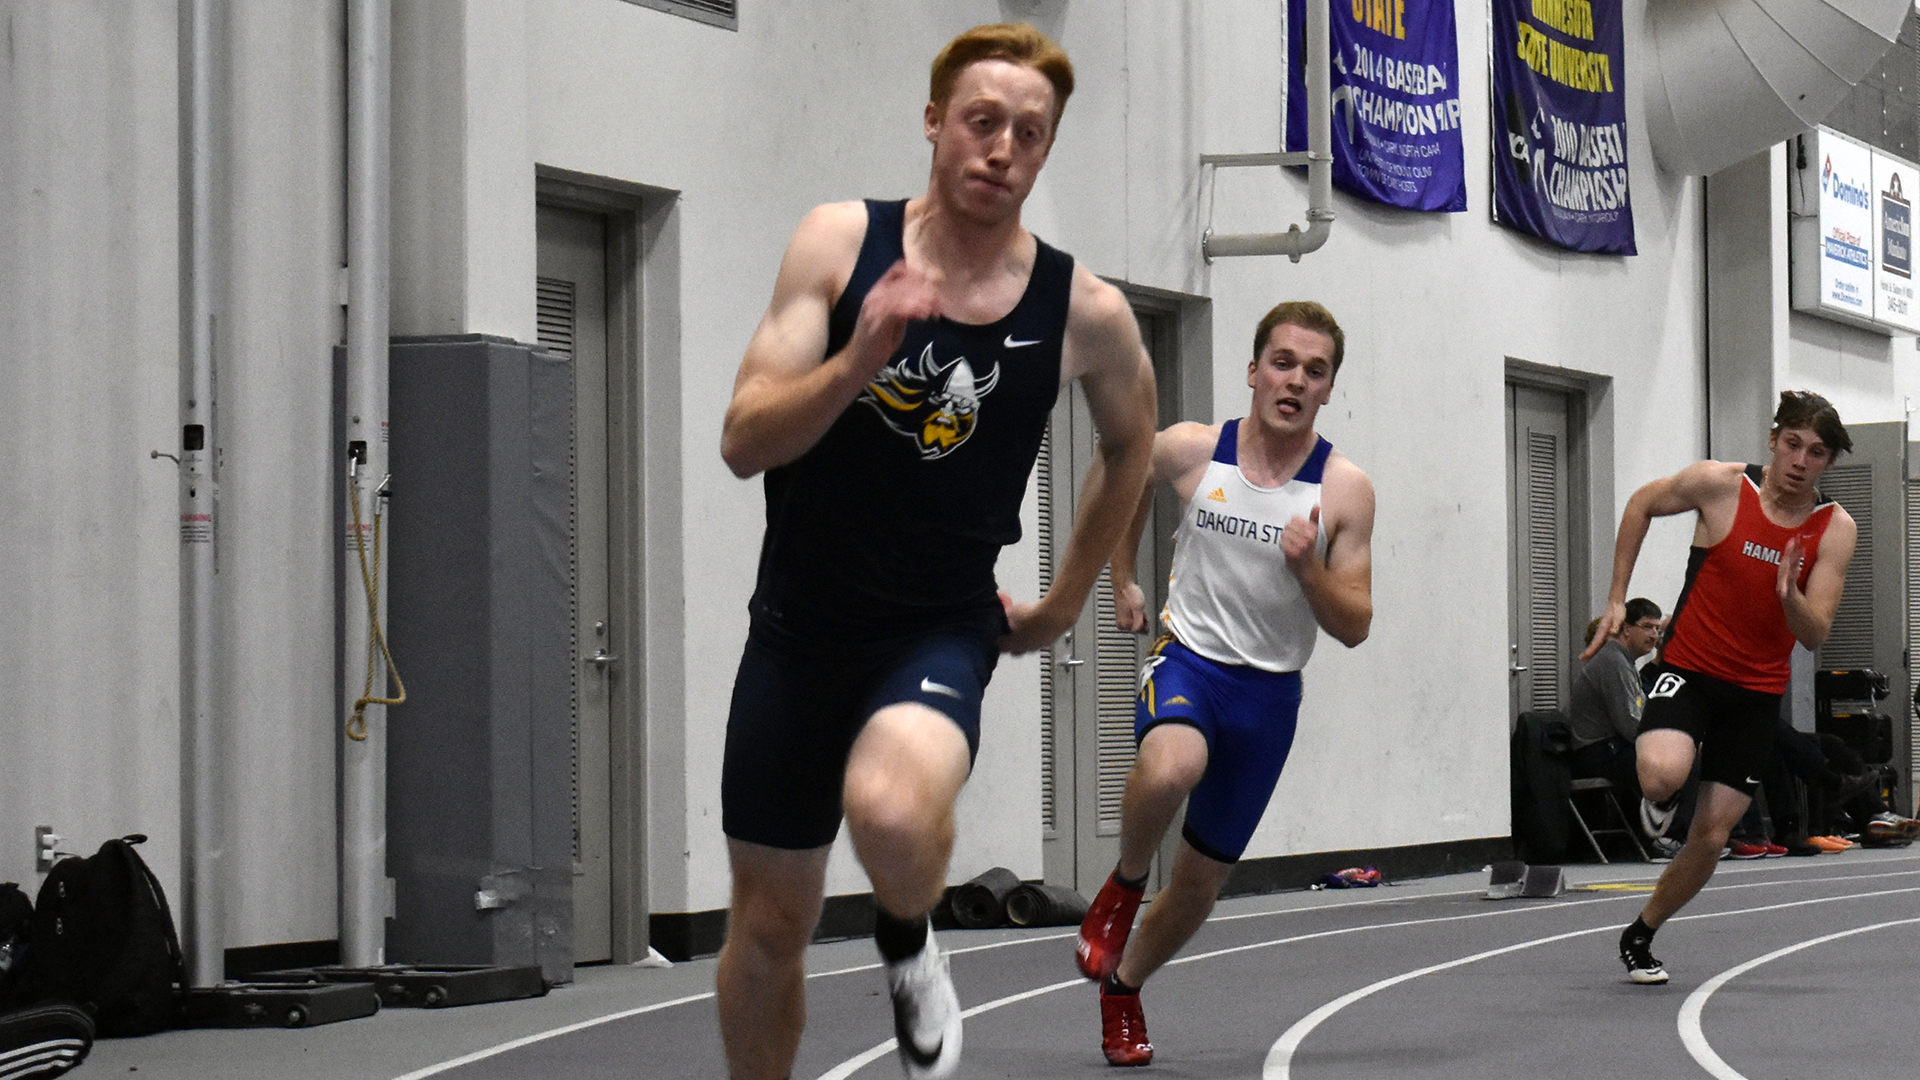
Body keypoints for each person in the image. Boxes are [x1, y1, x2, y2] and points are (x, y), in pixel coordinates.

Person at [713, 23, 1157, 1080]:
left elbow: (1131, 442)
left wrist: (1061, 603)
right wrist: (860, 355)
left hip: (939, 627)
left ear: (1046, 154)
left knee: (891, 809)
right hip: (795, 636)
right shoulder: (836, 243)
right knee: (769, 930)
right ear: (934, 125)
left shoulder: (1083, 310)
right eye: (983, 121)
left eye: (1030, 134)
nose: (1003, 148)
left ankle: (909, 940)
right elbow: (743, 441)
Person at [1078, 301, 1375, 1066]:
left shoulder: (1344, 490)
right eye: (1282, 362)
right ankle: (1122, 885)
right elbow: (1121, 470)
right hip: (1191, 660)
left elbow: (1355, 624)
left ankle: (1125, 988)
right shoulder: (1192, 450)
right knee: (1174, 764)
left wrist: (1308, 569)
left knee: (1202, 885)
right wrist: (1118, 576)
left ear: (1329, 389)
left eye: (1315, 370)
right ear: (1253, 372)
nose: (1295, 380)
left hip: (1269, 698)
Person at [1583, 391, 1857, 985]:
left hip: (1756, 693)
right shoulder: (1722, 486)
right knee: (1661, 774)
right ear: (1773, 440)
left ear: (1827, 463)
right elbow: (1640, 505)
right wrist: (1614, 598)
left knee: (1711, 836)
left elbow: (1816, 634)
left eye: (1816, 453)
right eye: (1792, 444)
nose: (1800, 461)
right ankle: (1660, 792)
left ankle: (1642, 931)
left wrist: (1790, 600)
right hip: (1691, 670)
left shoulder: (1833, 529)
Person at [1568, 599, 1662, 850]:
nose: (1654, 635)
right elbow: (1630, 724)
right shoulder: (1613, 662)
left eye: (1657, 629)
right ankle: (1669, 835)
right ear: (1626, 629)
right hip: (1598, 752)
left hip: (1612, 747)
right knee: (1675, 762)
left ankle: (1664, 834)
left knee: (1682, 754)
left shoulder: (1624, 660)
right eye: (1648, 627)